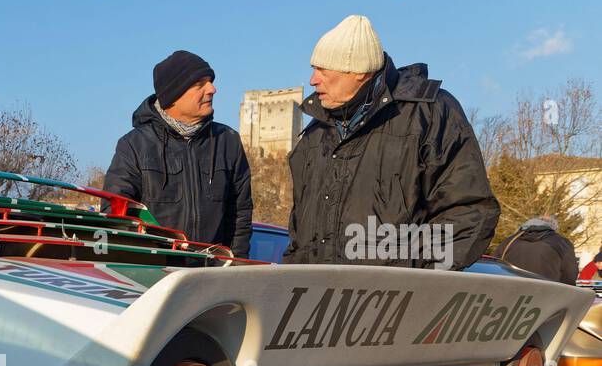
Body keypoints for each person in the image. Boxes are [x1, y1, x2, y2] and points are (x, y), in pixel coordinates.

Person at [283, 15, 499, 269]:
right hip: (319, 300)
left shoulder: (429, 113)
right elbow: (299, 236)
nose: (312, 80)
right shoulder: (313, 135)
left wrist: (406, 275)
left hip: (398, 302)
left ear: (358, 72)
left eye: (322, 70)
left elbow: (469, 212)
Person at [103, 51, 252, 257]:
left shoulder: (228, 141)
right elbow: (117, 216)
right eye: (200, 84)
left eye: (210, 82)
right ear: (173, 96)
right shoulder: (134, 146)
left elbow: (240, 216)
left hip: (211, 276)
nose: (212, 89)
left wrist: (233, 266)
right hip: (155, 278)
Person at [492, 217, 580, 285]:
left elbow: (495, 267)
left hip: (512, 292)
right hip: (547, 293)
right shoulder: (561, 242)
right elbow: (570, 274)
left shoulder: (508, 242)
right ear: (552, 228)